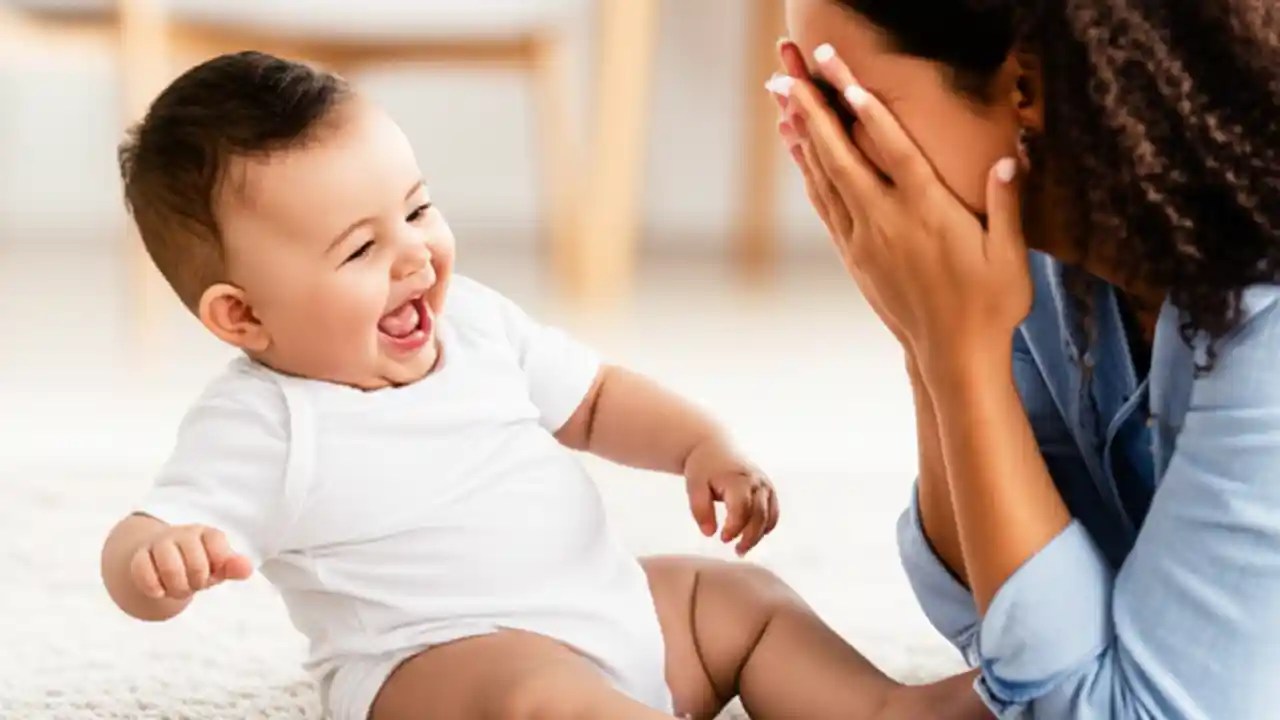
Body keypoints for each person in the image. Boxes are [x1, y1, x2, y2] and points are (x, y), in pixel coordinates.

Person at [99, 51, 991, 720]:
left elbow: (595, 399)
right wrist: (154, 566)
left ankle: (881, 709)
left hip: (607, 613)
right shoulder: (266, 422)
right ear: (242, 317)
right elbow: (151, 530)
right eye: (361, 249)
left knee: (733, 600)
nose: (414, 254)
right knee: (536, 691)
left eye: (416, 209)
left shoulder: (474, 323)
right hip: (443, 673)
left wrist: (698, 445)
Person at [768, 0, 1280, 717]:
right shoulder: (1041, 267)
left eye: (843, 103)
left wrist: (962, 356)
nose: (827, 148)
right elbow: (1005, 635)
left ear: (1025, 92)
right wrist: (929, 345)